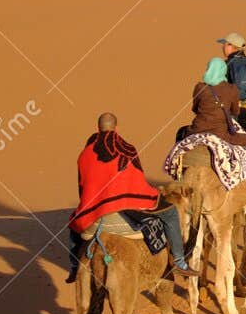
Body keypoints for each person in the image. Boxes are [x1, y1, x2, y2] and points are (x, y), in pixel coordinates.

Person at [66, 112, 194, 284]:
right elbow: (137, 180)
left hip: (95, 208)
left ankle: (75, 266)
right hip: (127, 205)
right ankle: (179, 262)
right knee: (170, 213)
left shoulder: (84, 154)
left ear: (98, 128)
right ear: (116, 128)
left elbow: (82, 189)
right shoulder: (127, 148)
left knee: (74, 222)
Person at [178, 58, 246, 146]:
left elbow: (195, 109)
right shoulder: (232, 89)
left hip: (196, 130)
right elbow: (235, 111)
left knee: (180, 133)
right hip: (220, 134)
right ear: (223, 71)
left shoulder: (200, 87)